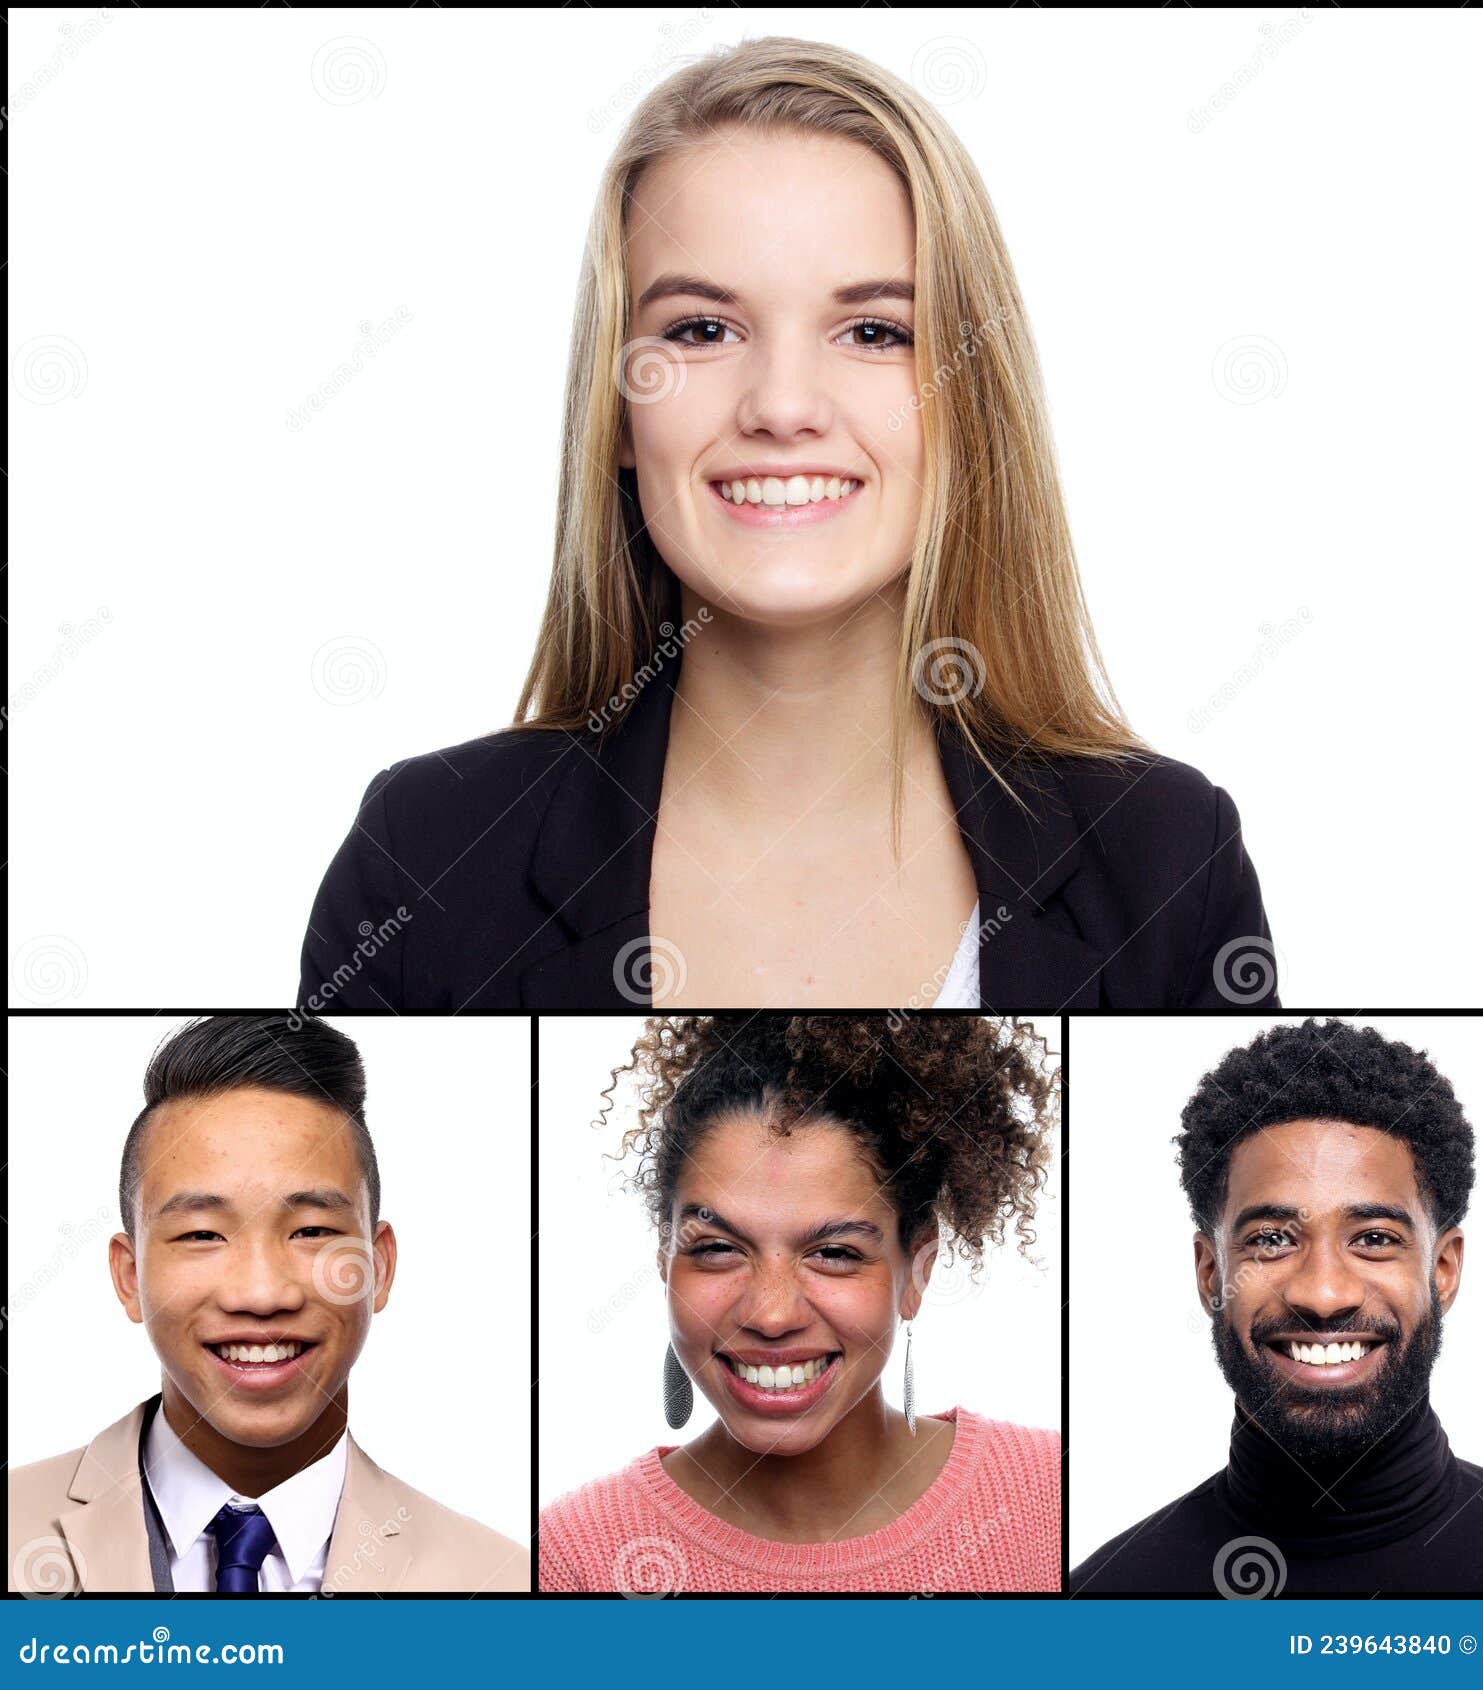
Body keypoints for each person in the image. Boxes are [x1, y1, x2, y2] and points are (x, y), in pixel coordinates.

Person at [298, 36, 1275, 1012]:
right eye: (701, 329)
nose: (781, 405)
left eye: (874, 331)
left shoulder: (1170, 861)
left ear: (967, 399)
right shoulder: (423, 855)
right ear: (622, 414)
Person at [1069, 1018, 1483, 1599]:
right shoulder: (1098, 1603)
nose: (1323, 1295)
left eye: (1374, 1238)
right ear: (1211, 1272)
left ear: (1443, 1271)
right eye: (1272, 1238)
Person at [7, 1014, 530, 1595]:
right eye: (203, 1234)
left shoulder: (499, 1582)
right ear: (129, 1277)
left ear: (378, 1268)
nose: (261, 1294)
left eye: (309, 1231)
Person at [538, 1014, 1062, 1593]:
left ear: (917, 1270)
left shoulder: (1047, 1496)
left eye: (834, 1253)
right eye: (717, 1249)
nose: (771, 1315)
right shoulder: (574, 1557)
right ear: (665, 1262)